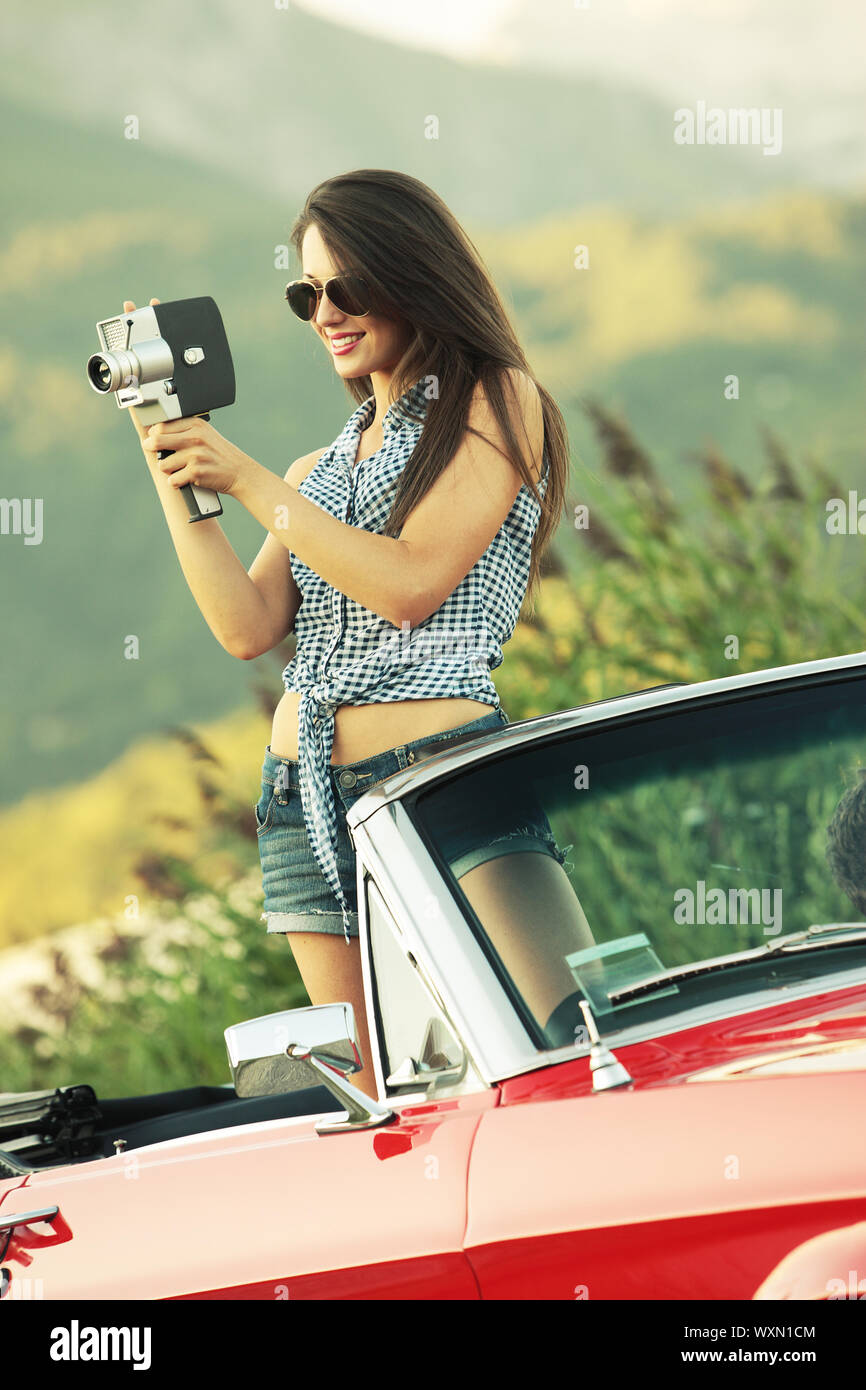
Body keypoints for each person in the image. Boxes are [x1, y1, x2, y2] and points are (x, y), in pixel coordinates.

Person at [123, 168, 594, 1098]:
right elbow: (247, 628)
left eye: (347, 287)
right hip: (301, 798)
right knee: (373, 1094)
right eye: (308, 294)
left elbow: (413, 585)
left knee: (563, 1049)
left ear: (413, 274)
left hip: (439, 776)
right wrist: (174, 464)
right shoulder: (320, 465)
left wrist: (255, 483)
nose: (326, 312)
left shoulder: (497, 400)